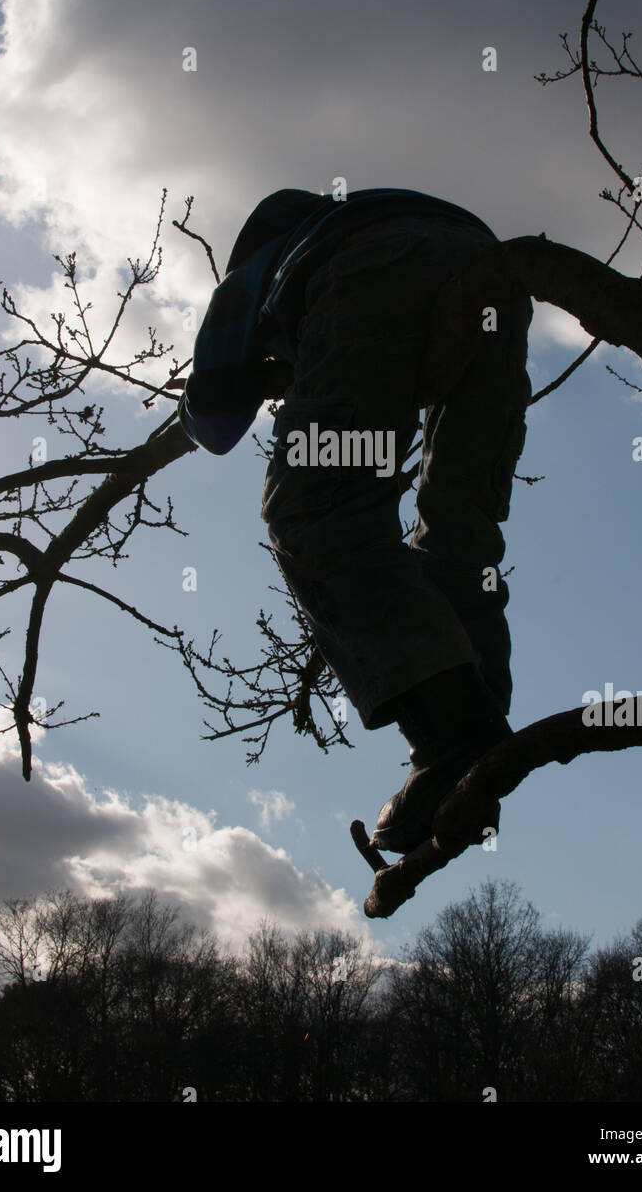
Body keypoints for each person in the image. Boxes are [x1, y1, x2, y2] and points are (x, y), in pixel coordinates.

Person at [177, 188, 533, 854]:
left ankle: (453, 733)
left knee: (314, 507)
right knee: (462, 528)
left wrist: (230, 383)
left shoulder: (260, 271)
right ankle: (474, 753)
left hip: (376, 265)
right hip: (494, 270)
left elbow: (216, 423)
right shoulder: (359, 223)